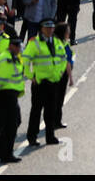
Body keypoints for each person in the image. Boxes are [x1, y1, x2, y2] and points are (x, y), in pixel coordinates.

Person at [0, 34, 27, 163]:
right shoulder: (5, 58)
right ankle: (5, 152)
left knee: (13, 123)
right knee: (11, 125)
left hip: (12, 94)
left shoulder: (14, 57)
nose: (19, 48)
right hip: (6, 94)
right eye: (17, 46)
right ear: (11, 46)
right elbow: (1, 78)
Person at [23, 19, 65, 147]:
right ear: (41, 29)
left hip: (53, 81)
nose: (50, 30)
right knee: (36, 111)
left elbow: (63, 58)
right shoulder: (34, 43)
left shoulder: (57, 42)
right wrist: (31, 76)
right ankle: (32, 137)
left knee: (50, 111)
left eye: (52, 28)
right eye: (47, 28)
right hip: (40, 83)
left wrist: (59, 74)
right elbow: (25, 61)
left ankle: (50, 136)